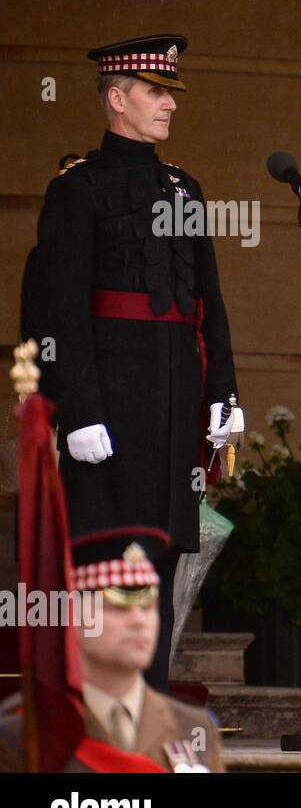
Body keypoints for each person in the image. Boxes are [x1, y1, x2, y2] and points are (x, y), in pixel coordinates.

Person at [24, 35, 240, 691]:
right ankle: (105, 721)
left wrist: (224, 393)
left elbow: (207, 301)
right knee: (117, 565)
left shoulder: (185, 188)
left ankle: (145, 710)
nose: (170, 103)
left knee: (164, 562)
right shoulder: (79, 189)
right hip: (112, 416)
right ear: (117, 99)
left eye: (170, 90)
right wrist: (80, 409)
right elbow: (58, 312)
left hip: (173, 409)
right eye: (156, 91)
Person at [0, 528, 225, 772]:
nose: (139, 621)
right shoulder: (24, 731)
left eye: (148, 606)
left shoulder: (193, 728)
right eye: (117, 608)